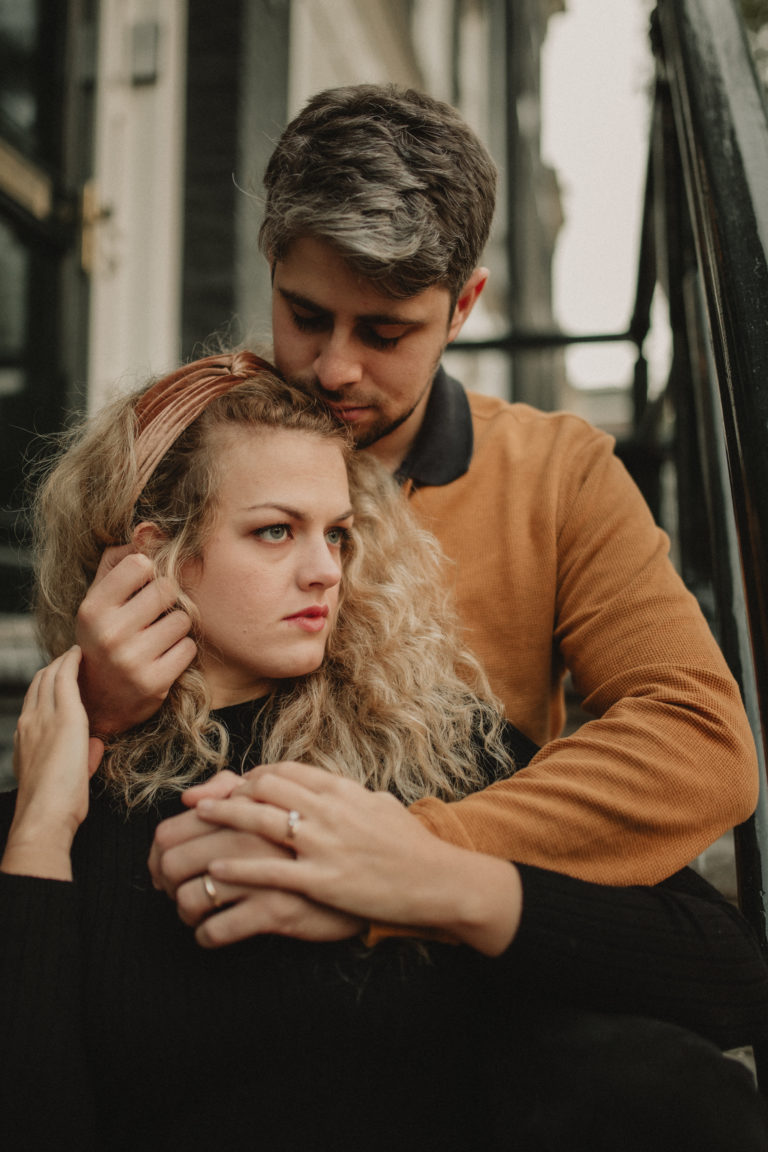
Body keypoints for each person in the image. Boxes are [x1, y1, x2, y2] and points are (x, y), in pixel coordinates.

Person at [2, 352, 768, 1151]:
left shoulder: (423, 742)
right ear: (151, 558)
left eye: (337, 533)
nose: (325, 571)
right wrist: (38, 835)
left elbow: (732, 972)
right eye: (275, 531)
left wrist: (433, 883)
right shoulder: (67, 800)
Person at [73, 87, 758, 943]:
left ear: (462, 307)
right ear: (272, 264)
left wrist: (413, 858)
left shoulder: (557, 472)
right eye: (306, 315)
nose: (333, 369)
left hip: (457, 957)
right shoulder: (176, 445)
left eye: (386, 334)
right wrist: (92, 706)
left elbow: (698, 741)